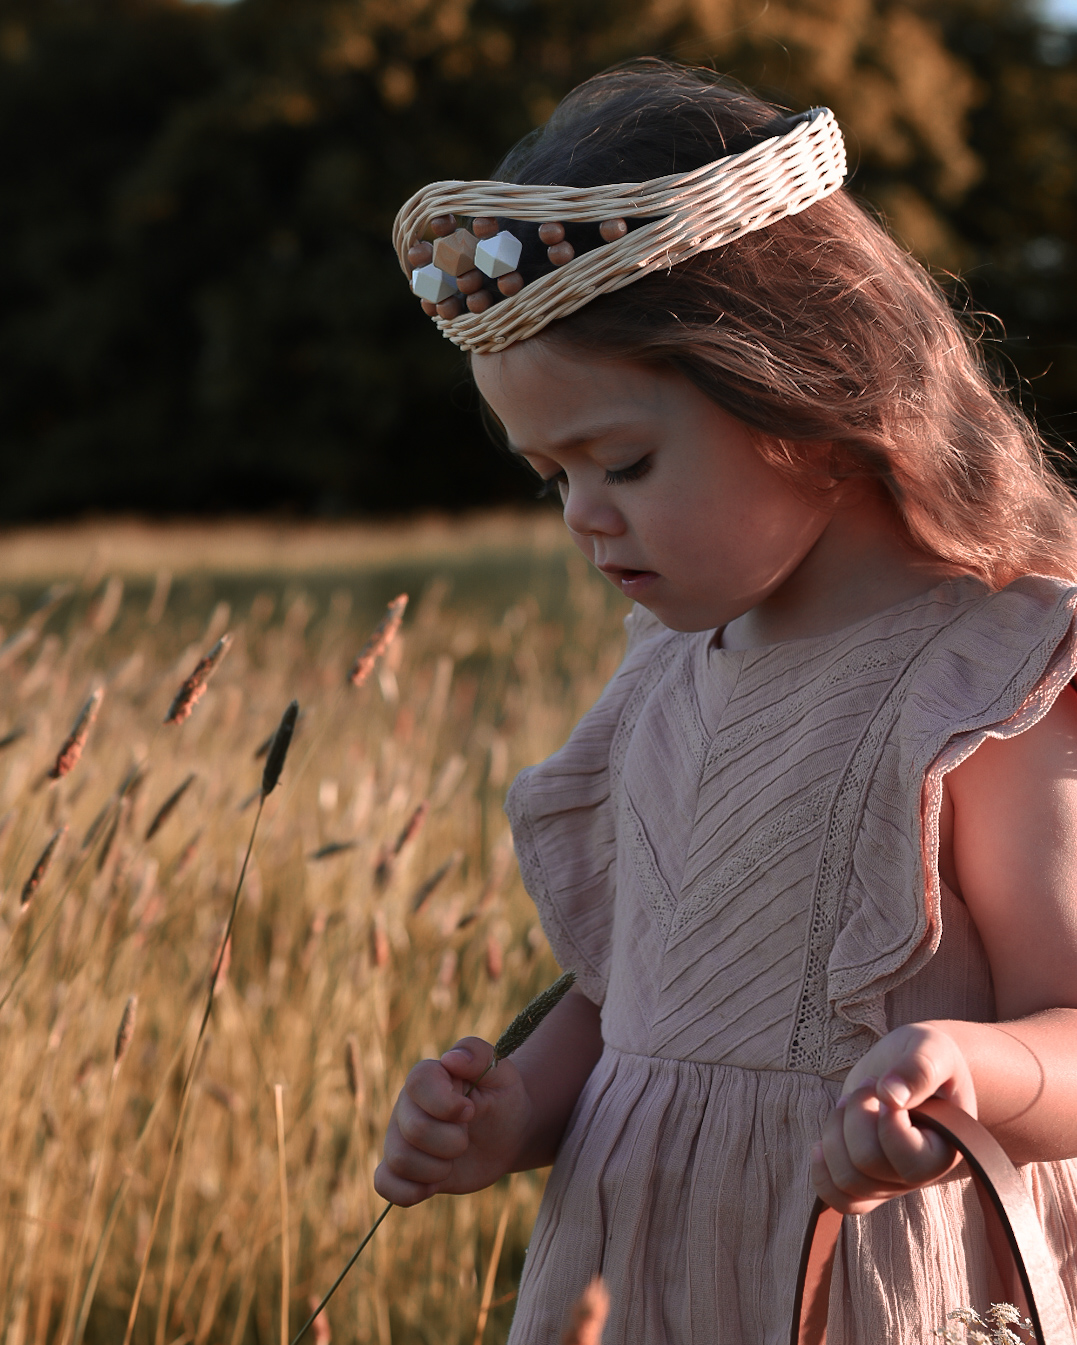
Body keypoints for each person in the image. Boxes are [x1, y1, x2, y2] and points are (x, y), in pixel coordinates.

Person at [376, 60, 1077, 1344]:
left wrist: (969, 1075)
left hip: (866, 1277)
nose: (585, 516)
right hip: (630, 1274)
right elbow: (633, 1005)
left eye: (624, 461)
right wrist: (509, 1113)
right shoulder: (661, 670)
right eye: (553, 477)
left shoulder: (985, 681)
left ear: (809, 391)